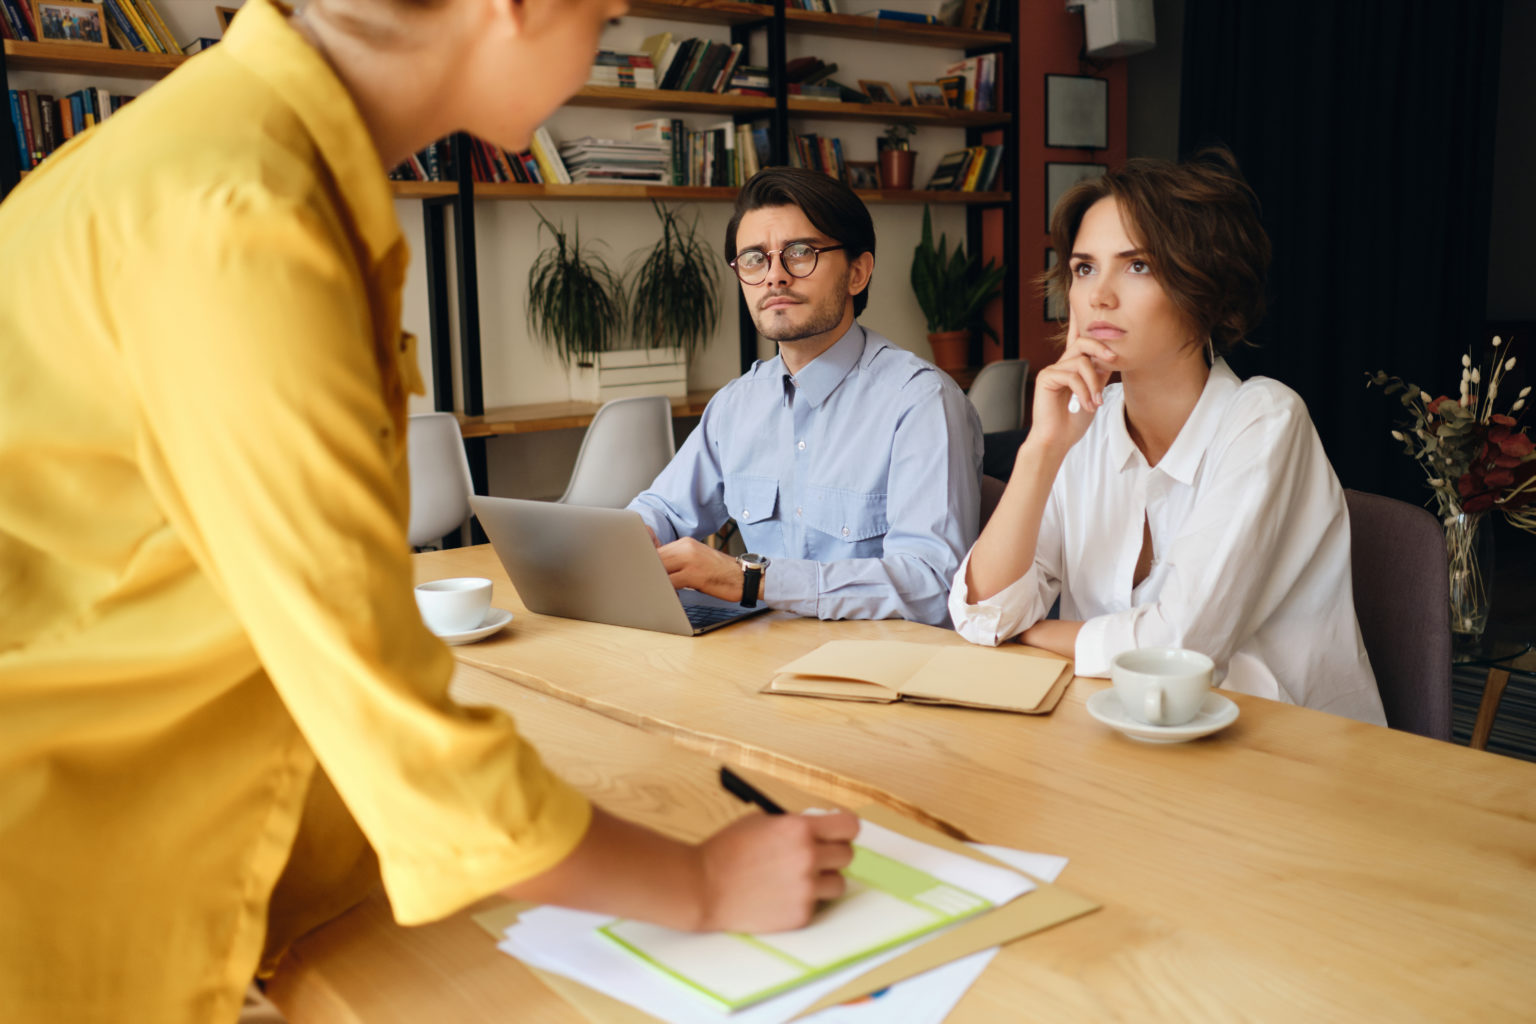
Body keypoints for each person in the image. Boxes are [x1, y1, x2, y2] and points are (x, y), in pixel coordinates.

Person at [0, 2, 860, 1021]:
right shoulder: (246, 215)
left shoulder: (207, 155)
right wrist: (703, 884)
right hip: (72, 879)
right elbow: (377, 698)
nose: (602, 45)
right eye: (607, 14)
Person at [949, 151, 1386, 724]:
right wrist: (1042, 450)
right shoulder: (1088, 423)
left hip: (1281, 754)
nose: (1100, 295)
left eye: (1138, 266)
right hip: (1121, 736)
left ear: (1206, 289)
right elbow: (983, 614)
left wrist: (1031, 633)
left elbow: (1182, 648)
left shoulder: (1266, 421)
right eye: (1084, 268)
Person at [628, 167, 984, 627]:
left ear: (858, 272)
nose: (775, 276)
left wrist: (751, 581)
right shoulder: (736, 404)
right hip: (757, 654)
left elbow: (932, 584)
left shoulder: (921, 402)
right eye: (755, 259)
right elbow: (664, 511)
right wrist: (628, 537)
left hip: (877, 672)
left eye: (800, 253)